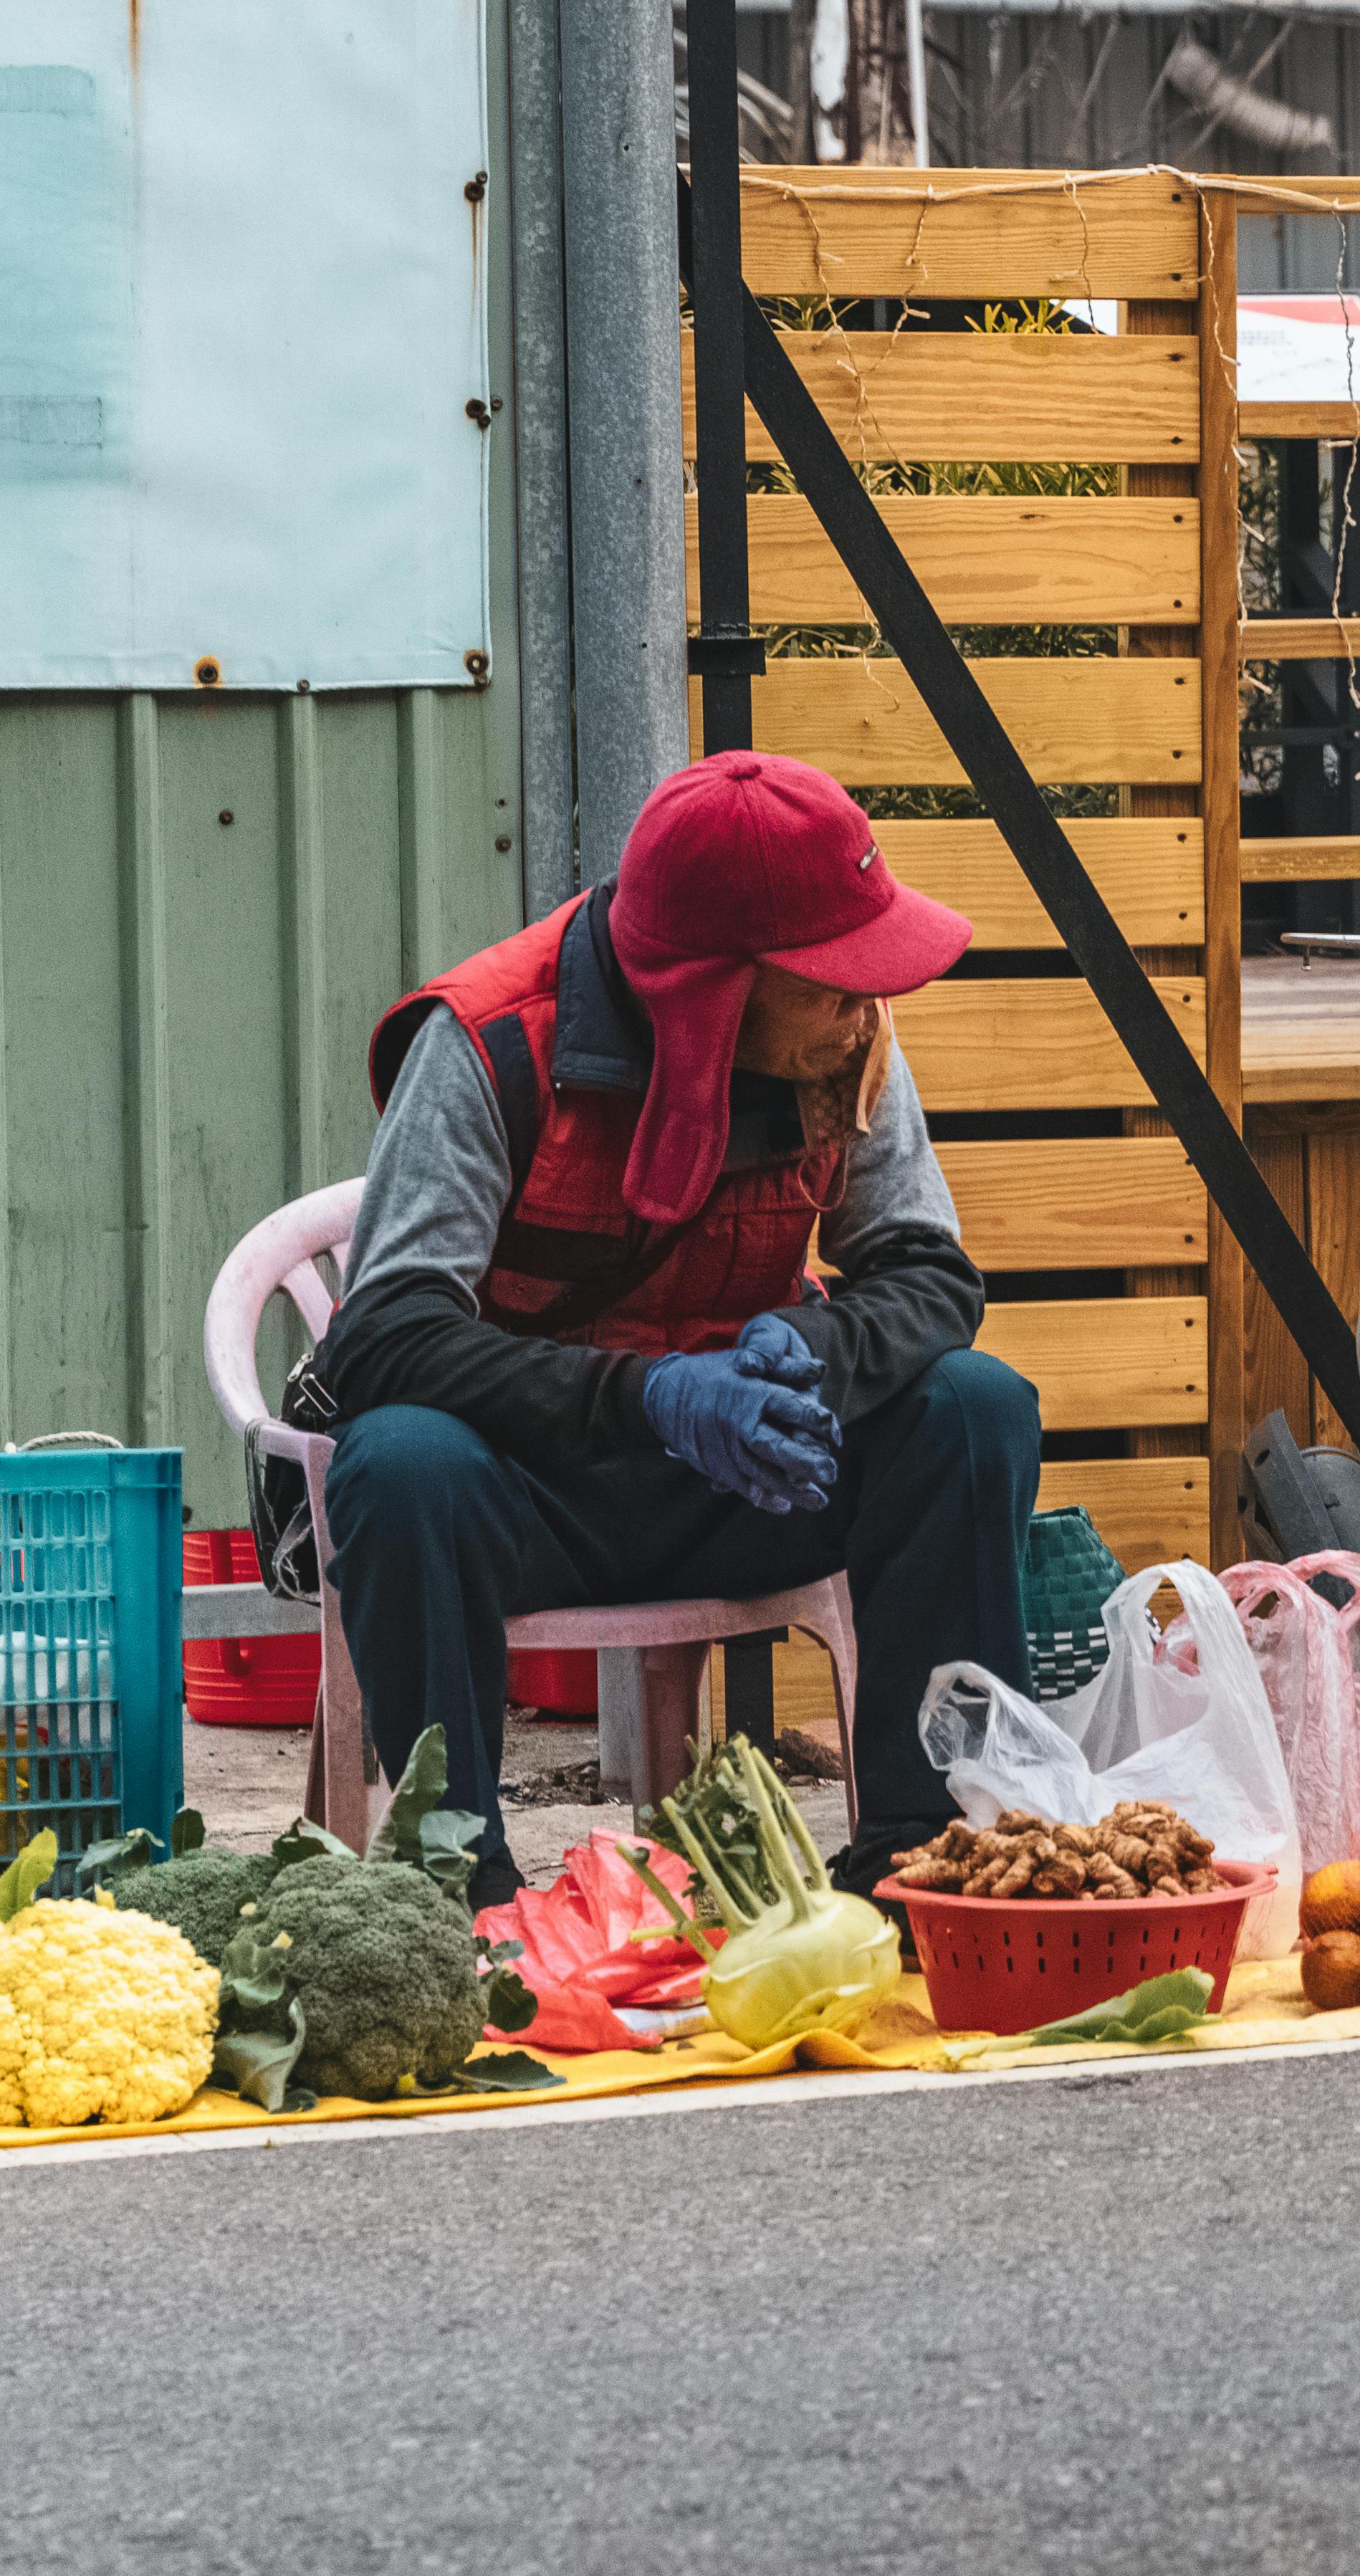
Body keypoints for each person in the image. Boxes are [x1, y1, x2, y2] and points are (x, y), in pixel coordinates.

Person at [311, 752, 1038, 1896]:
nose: (867, 1006)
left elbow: (931, 1277)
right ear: (716, 988)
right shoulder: (489, 1041)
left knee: (973, 1406)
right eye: (834, 978)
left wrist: (819, 1355)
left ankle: (928, 1861)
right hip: (537, 1484)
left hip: (750, 1475)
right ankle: (464, 1903)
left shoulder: (842, 1048)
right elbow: (385, 1333)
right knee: (400, 1463)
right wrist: (648, 1395)